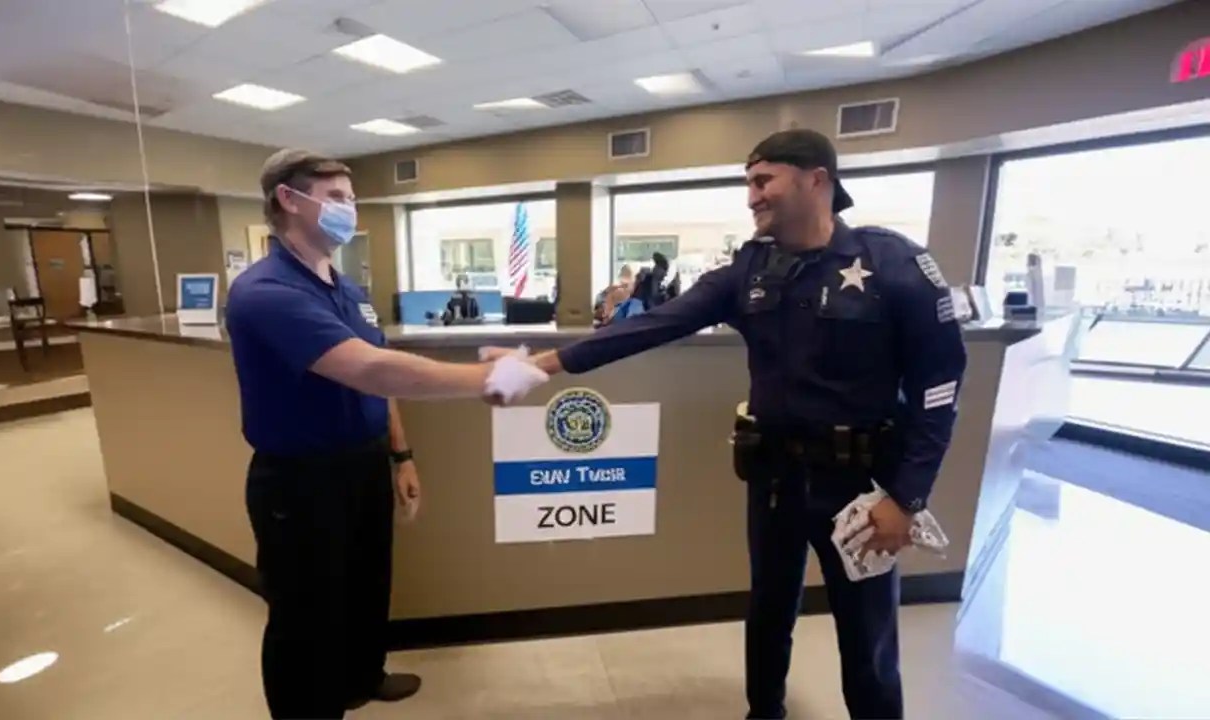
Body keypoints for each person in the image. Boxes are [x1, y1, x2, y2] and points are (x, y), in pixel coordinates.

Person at [486, 129, 967, 719]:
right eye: (749, 183)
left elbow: (938, 388)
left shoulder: (892, 263)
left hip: (862, 487)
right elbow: (653, 325)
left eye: (763, 181)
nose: (751, 197)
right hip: (775, 478)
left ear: (817, 179)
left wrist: (907, 496)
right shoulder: (750, 269)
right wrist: (539, 368)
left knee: (868, 636)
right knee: (768, 611)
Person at [225, 149, 546, 720]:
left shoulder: (348, 290)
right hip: (300, 481)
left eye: (351, 198)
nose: (350, 209)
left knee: (367, 584)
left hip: (365, 460)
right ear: (289, 200)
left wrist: (401, 454)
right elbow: (368, 369)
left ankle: (360, 677)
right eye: (338, 198)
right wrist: (488, 377)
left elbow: (381, 371)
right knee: (305, 614)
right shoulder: (266, 291)